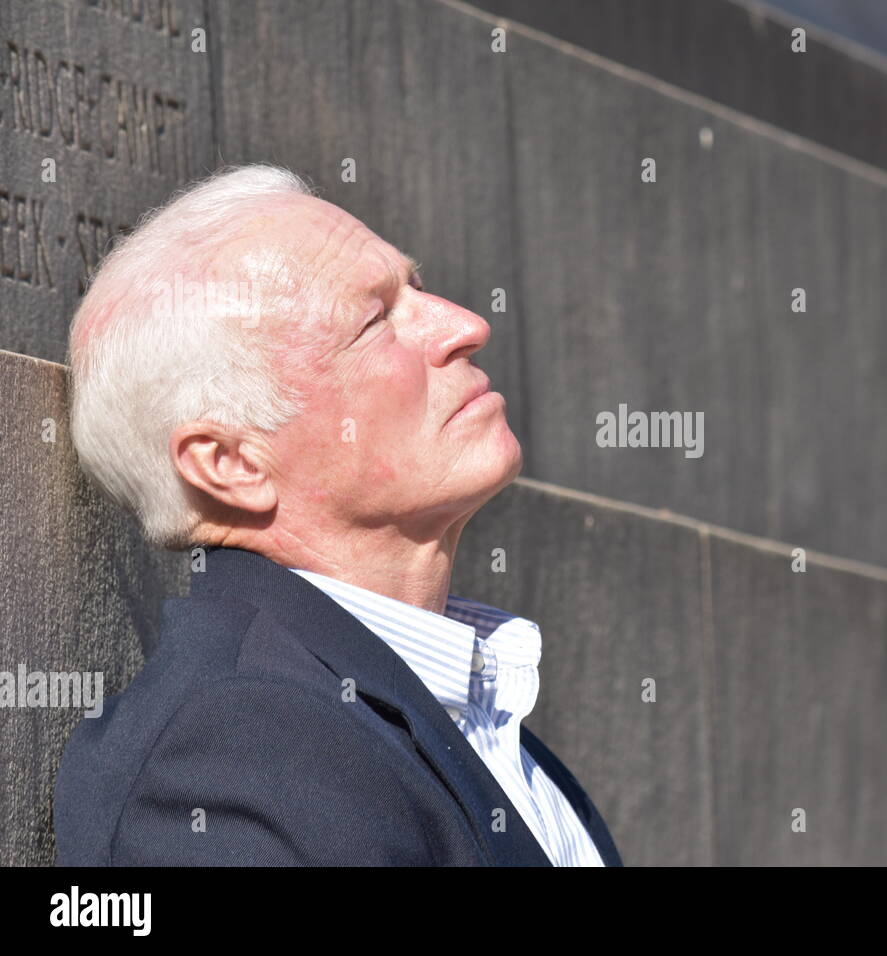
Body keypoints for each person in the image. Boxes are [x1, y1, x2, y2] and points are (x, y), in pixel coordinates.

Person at [53, 164, 621, 866]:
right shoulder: (237, 748)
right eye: (374, 320)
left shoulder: (460, 715)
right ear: (233, 464)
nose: (467, 327)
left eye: (415, 288)